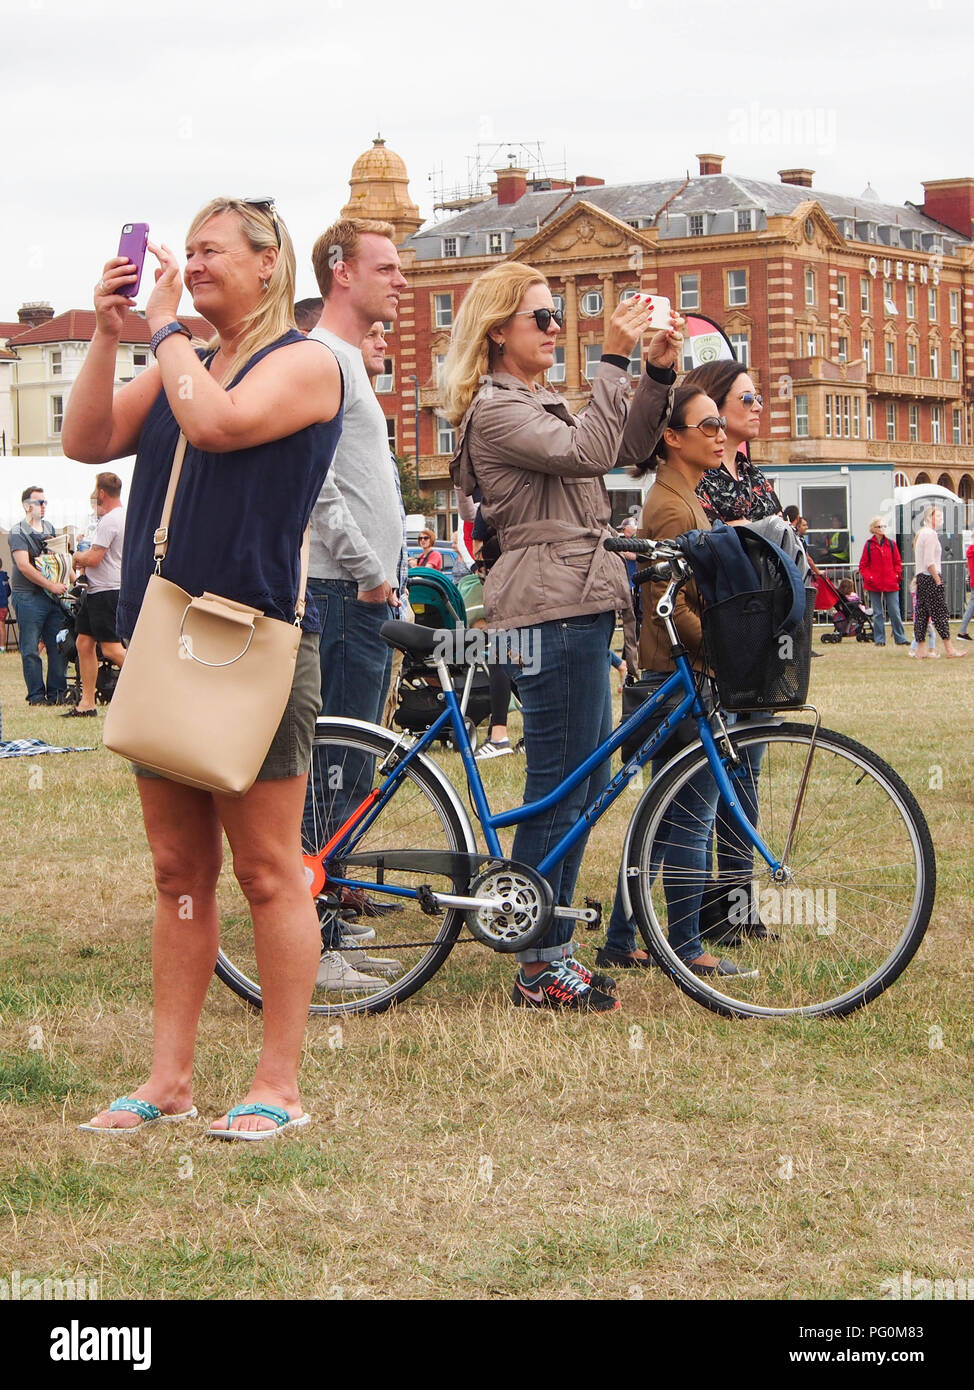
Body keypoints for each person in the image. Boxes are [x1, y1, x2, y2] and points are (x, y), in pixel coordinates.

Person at [63, 196, 343, 1136]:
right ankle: (168, 1080)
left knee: (269, 871)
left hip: (250, 642)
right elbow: (86, 441)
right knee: (178, 870)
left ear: (271, 264)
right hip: (162, 638)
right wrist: (111, 339)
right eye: (185, 252)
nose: (192, 263)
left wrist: (167, 332)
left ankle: (279, 1087)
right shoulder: (188, 360)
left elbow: (218, 426)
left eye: (212, 249)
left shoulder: (305, 363)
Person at [445, 260, 678, 1011]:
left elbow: (630, 450)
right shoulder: (497, 410)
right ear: (497, 332)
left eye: (555, 318)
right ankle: (542, 961)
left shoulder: (536, 399)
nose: (555, 330)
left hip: (573, 597)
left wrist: (657, 375)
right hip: (552, 604)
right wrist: (611, 359)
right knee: (561, 787)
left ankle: (548, 949)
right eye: (541, 319)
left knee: (575, 787)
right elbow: (588, 453)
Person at [597, 387, 760, 979]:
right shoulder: (670, 505)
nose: (721, 433)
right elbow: (668, 601)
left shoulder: (684, 496)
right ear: (673, 437)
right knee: (690, 813)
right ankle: (687, 948)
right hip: (680, 670)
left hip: (676, 670)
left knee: (660, 821)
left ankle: (619, 940)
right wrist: (721, 649)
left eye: (722, 423)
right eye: (709, 424)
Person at [302, 219, 408, 990]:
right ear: (342, 272)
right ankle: (312, 941)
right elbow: (318, 487)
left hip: (363, 590)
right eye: (388, 266)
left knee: (349, 769)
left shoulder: (348, 362)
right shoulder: (324, 359)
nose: (401, 280)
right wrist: (371, 570)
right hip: (342, 591)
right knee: (330, 769)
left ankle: (329, 923)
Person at [62, 472, 128, 716]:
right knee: (84, 642)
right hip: (98, 590)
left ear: (101, 493)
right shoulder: (122, 515)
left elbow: (93, 558)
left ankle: (151, 687)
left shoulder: (110, 520)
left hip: (107, 591)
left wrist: (76, 556)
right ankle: (87, 704)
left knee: (111, 649)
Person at [684, 363, 779, 524]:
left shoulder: (753, 474)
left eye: (759, 399)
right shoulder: (692, 475)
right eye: (747, 399)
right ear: (712, 403)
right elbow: (700, 540)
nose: (758, 407)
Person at [8, 486, 69, 705]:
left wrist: (68, 576)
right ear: (26, 506)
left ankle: (57, 694)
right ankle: (36, 696)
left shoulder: (50, 527)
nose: (44, 506)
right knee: (30, 648)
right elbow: (24, 566)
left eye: (45, 502)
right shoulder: (18, 532)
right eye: (39, 502)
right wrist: (51, 586)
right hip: (28, 597)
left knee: (57, 646)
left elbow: (59, 557)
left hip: (51, 597)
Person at [912, 506, 965, 659]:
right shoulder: (930, 534)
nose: (941, 520)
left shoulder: (922, 533)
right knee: (939, 613)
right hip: (930, 577)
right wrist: (938, 580)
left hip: (922, 577)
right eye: (939, 516)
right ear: (929, 517)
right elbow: (929, 561)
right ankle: (949, 649)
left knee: (922, 613)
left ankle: (920, 650)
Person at [857, 517, 907, 647]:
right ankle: (879, 639)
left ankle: (900, 637)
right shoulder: (869, 545)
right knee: (878, 613)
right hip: (874, 584)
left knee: (895, 611)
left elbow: (897, 562)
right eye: (879, 526)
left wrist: (896, 575)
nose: (882, 529)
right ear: (873, 529)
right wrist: (870, 578)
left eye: (884, 526)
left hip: (891, 582)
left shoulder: (891, 544)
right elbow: (863, 566)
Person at [955, 537, 974, 640]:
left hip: (972, 581)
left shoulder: (970, 551)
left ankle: (962, 631)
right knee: (971, 606)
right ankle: (962, 632)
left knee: (971, 606)